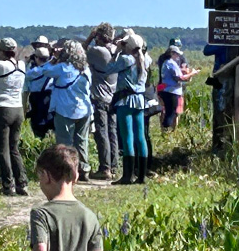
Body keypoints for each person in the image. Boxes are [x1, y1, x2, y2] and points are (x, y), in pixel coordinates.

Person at [39, 40, 94, 182]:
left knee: (64, 143)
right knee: (82, 141)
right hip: (84, 109)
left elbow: (44, 70)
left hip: (65, 109)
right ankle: (83, 169)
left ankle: (66, 170)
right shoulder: (86, 69)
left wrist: (54, 57)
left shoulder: (62, 67)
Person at [106, 32, 150, 185]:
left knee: (127, 138)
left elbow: (108, 69)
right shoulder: (146, 59)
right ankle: (142, 176)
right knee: (141, 137)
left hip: (125, 101)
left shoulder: (125, 59)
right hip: (140, 100)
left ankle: (127, 176)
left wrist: (117, 51)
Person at [0, 38, 29, 197]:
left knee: (2, 149)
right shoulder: (22, 65)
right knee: (14, 148)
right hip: (18, 109)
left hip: (1, 108)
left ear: (0, 51)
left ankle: (8, 183)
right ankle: (22, 182)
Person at [84, 23, 120, 181]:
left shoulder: (98, 51)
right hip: (114, 96)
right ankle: (114, 166)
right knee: (113, 132)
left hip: (100, 97)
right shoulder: (116, 51)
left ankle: (104, 168)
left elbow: (80, 52)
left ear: (99, 37)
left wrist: (90, 38)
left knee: (102, 133)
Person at [159, 40, 199, 130]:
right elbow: (180, 77)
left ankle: (165, 130)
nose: (178, 56)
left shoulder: (163, 60)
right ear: (172, 53)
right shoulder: (172, 63)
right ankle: (168, 130)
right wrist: (192, 73)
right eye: (176, 54)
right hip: (172, 90)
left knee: (166, 110)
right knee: (173, 112)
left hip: (163, 88)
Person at [25, 36, 54, 139]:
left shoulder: (35, 68)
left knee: (39, 123)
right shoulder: (53, 64)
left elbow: (26, 77)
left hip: (42, 96)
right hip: (47, 96)